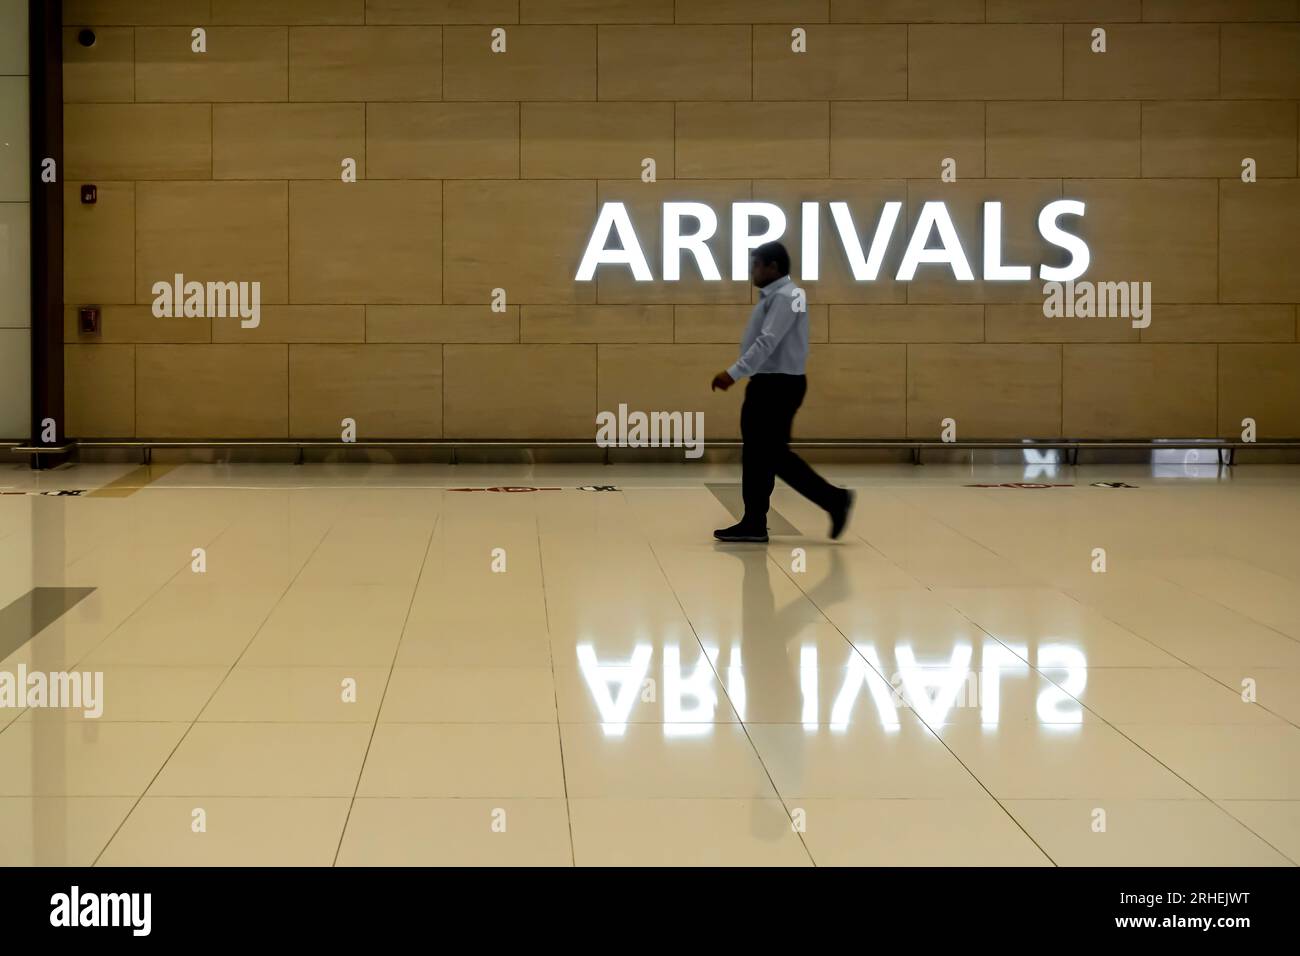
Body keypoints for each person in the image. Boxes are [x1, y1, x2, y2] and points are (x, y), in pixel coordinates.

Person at [710, 241, 853, 543]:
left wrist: (733, 373)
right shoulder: (777, 297)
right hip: (769, 384)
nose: (752, 272)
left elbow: (767, 341)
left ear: (773, 267)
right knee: (758, 454)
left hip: (777, 386)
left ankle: (833, 500)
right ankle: (754, 521)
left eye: (756, 265)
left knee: (771, 455)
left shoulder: (789, 296)